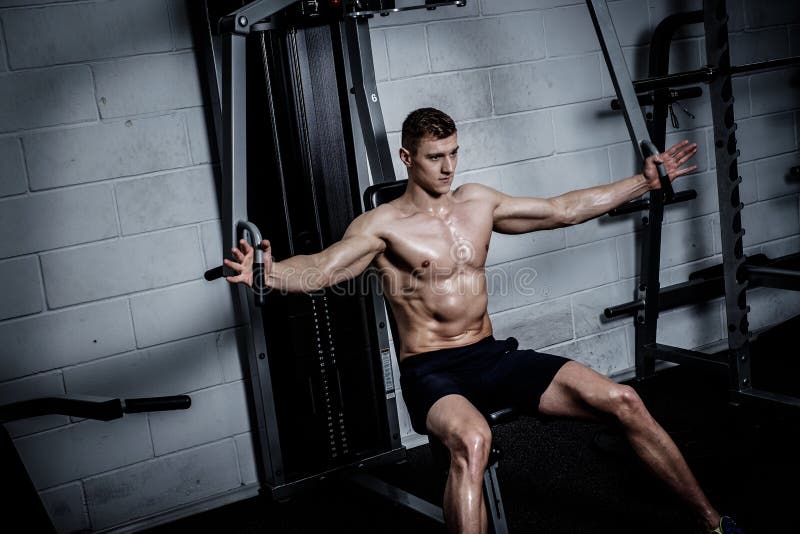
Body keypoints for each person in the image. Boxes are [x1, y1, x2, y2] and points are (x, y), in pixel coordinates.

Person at [224, 107, 743, 534]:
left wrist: (642, 182)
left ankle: (713, 522)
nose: (447, 168)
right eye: (434, 157)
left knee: (624, 400)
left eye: (453, 154)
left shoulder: (479, 202)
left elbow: (562, 209)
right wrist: (265, 273)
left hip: (492, 355)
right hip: (432, 371)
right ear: (407, 158)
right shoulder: (381, 226)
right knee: (474, 441)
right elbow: (321, 269)